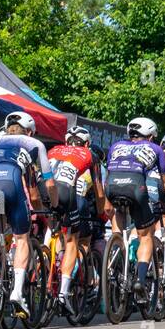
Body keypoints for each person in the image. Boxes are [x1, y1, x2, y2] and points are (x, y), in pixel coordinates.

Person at [0, 111, 53, 319]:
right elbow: (48, 182)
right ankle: (16, 291)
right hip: (11, 184)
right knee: (22, 238)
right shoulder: (35, 144)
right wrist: (54, 205)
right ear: (30, 131)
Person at [105, 117, 165, 301]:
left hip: (112, 187)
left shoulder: (116, 146)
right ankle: (140, 279)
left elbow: (109, 173)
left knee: (120, 211)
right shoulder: (155, 148)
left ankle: (116, 249)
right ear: (151, 136)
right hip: (136, 186)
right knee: (146, 236)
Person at [46, 125, 109, 316]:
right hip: (74, 197)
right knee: (79, 241)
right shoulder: (91, 156)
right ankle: (65, 286)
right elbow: (99, 193)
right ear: (87, 144)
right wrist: (101, 214)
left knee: (56, 233)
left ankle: (45, 265)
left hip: (47, 193)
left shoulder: (54, 150)